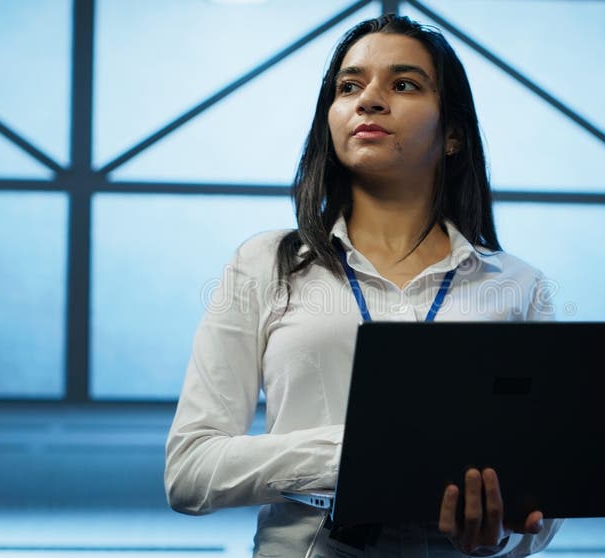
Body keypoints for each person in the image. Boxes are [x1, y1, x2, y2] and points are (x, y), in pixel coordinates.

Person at [165, 13, 564, 557]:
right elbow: (189, 470)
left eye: (404, 85)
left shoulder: (518, 286)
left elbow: (547, 497)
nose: (368, 100)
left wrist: (498, 536)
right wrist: (352, 454)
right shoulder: (264, 264)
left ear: (453, 135)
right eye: (349, 86)